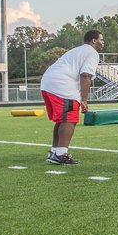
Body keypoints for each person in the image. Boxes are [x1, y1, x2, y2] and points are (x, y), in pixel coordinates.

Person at [41, 29, 104, 165]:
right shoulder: (92, 53)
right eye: (101, 39)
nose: (103, 43)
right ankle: (61, 154)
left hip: (48, 81)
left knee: (62, 119)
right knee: (70, 118)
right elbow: (85, 75)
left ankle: (55, 151)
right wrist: (84, 99)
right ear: (94, 41)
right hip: (62, 83)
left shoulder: (78, 50)